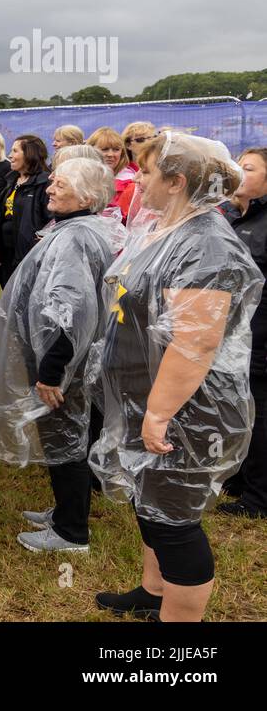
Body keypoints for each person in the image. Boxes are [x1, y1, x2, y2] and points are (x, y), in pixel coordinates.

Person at [91, 133, 262, 622]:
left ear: (177, 180)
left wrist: (159, 413)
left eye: (145, 172)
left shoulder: (207, 246)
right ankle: (153, 590)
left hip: (186, 411)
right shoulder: (166, 227)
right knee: (150, 503)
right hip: (146, 396)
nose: (137, 180)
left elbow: (195, 342)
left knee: (174, 522)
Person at [0, 157, 119, 554]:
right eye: (52, 182)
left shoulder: (75, 238)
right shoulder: (78, 229)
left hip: (62, 362)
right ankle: (64, 512)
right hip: (66, 358)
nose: (50, 189)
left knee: (66, 441)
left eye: (60, 184)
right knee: (66, 437)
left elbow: (72, 310)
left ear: (88, 196)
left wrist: (51, 370)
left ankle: (71, 533)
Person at [221, 147, 267, 519]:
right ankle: (240, 479)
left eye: (248, 168)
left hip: (261, 338)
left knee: (262, 415)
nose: (239, 172)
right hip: (241, 337)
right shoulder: (237, 217)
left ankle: (258, 499)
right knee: (245, 410)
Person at [0, 134, 50, 284]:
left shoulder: (44, 183)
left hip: (29, 257)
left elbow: (50, 222)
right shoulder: (11, 180)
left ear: (29, 154)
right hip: (8, 257)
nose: (10, 156)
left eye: (15, 151)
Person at [87, 127, 137, 220]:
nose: (111, 154)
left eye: (116, 149)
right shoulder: (81, 178)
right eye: (105, 149)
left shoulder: (131, 182)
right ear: (91, 150)